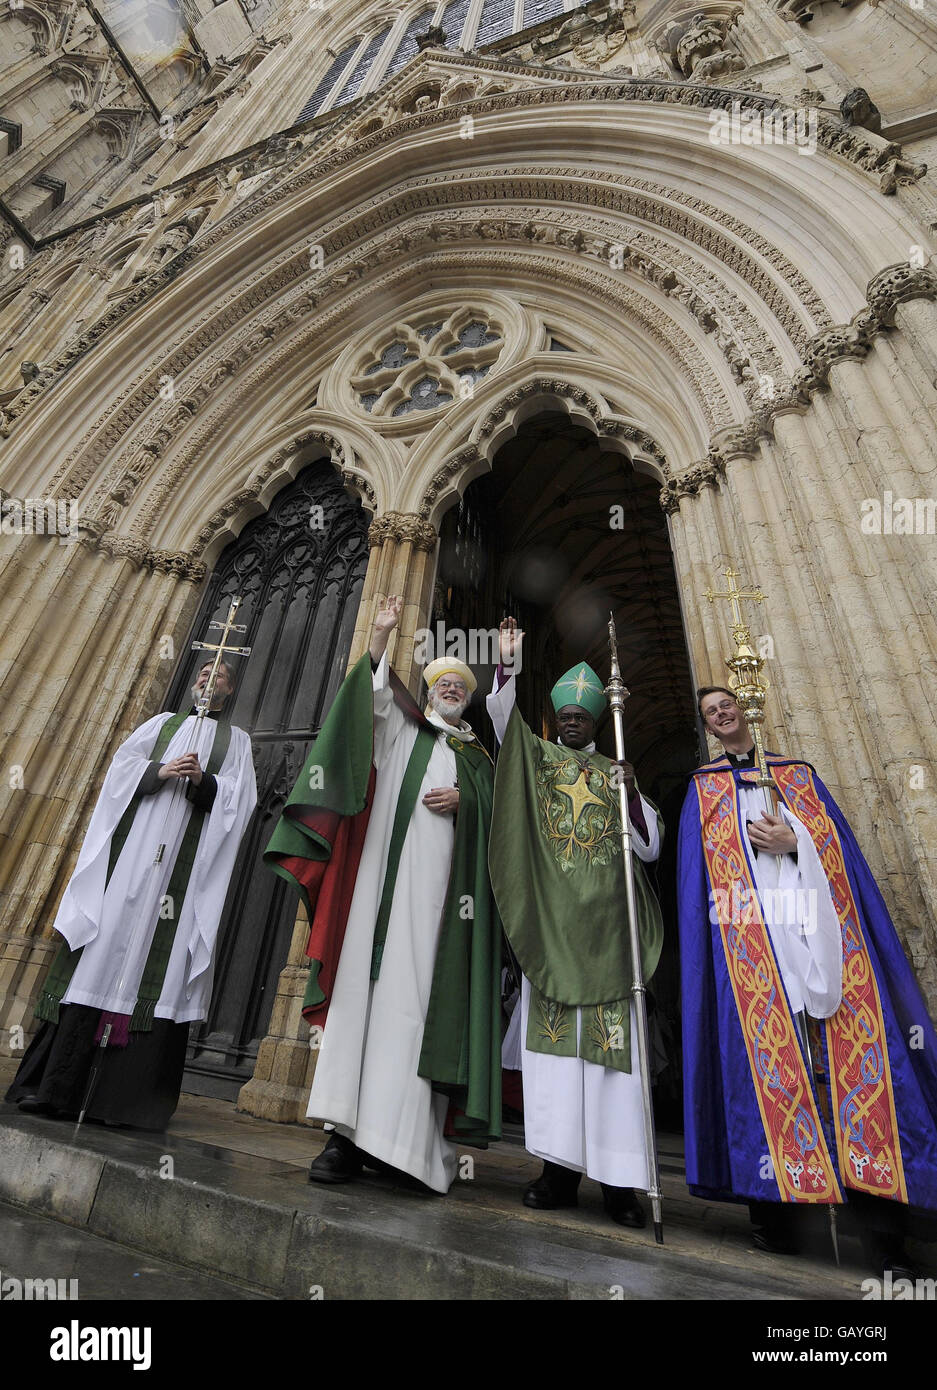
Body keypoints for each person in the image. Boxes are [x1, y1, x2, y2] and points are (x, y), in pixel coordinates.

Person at [678, 685, 937, 1273]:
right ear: (707, 728)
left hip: (819, 941)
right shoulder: (703, 789)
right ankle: (778, 1221)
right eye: (710, 712)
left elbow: (840, 853)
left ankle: (883, 1238)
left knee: (856, 1080)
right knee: (764, 1079)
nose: (721, 714)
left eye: (727, 705)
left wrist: (797, 846)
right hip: (753, 959)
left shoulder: (798, 776)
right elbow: (701, 893)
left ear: (745, 710)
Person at [264, 596, 501, 1193]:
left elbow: (503, 822)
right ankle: (342, 1138)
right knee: (361, 1002)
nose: (450, 688)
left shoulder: (477, 758)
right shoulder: (404, 730)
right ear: (427, 691)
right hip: (378, 890)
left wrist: (468, 803)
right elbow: (367, 708)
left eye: (459, 684)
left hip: (443, 909)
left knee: (418, 1010)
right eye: (441, 681)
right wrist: (379, 636)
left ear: (468, 697)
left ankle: (406, 1147)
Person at [7, 660, 257, 1128]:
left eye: (220, 675)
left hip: (177, 883)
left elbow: (242, 803)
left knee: (155, 974)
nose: (209, 679)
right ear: (193, 682)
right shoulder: (161, 725)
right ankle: (54, 1090)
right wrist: (159, 771)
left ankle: (124, 1104)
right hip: (128, 867)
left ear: (231, 689)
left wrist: (207, 783)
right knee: (98, 958)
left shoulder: (236, 742)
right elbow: (119, 774)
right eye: (204, 672)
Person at [486, 618, 664, 1227]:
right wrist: (506, 664)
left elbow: (650, 850)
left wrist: (632, 793)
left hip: (611, 940)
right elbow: (506, 728)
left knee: (614, 1070)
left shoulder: (617, 776)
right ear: (555, 718)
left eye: (581, 720)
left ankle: (619, 1185)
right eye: (563, 716)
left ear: (594, 723)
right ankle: (557, 1172)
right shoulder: (536, 769)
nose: (571, 724)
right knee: (558, 1065)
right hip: (553, 934)